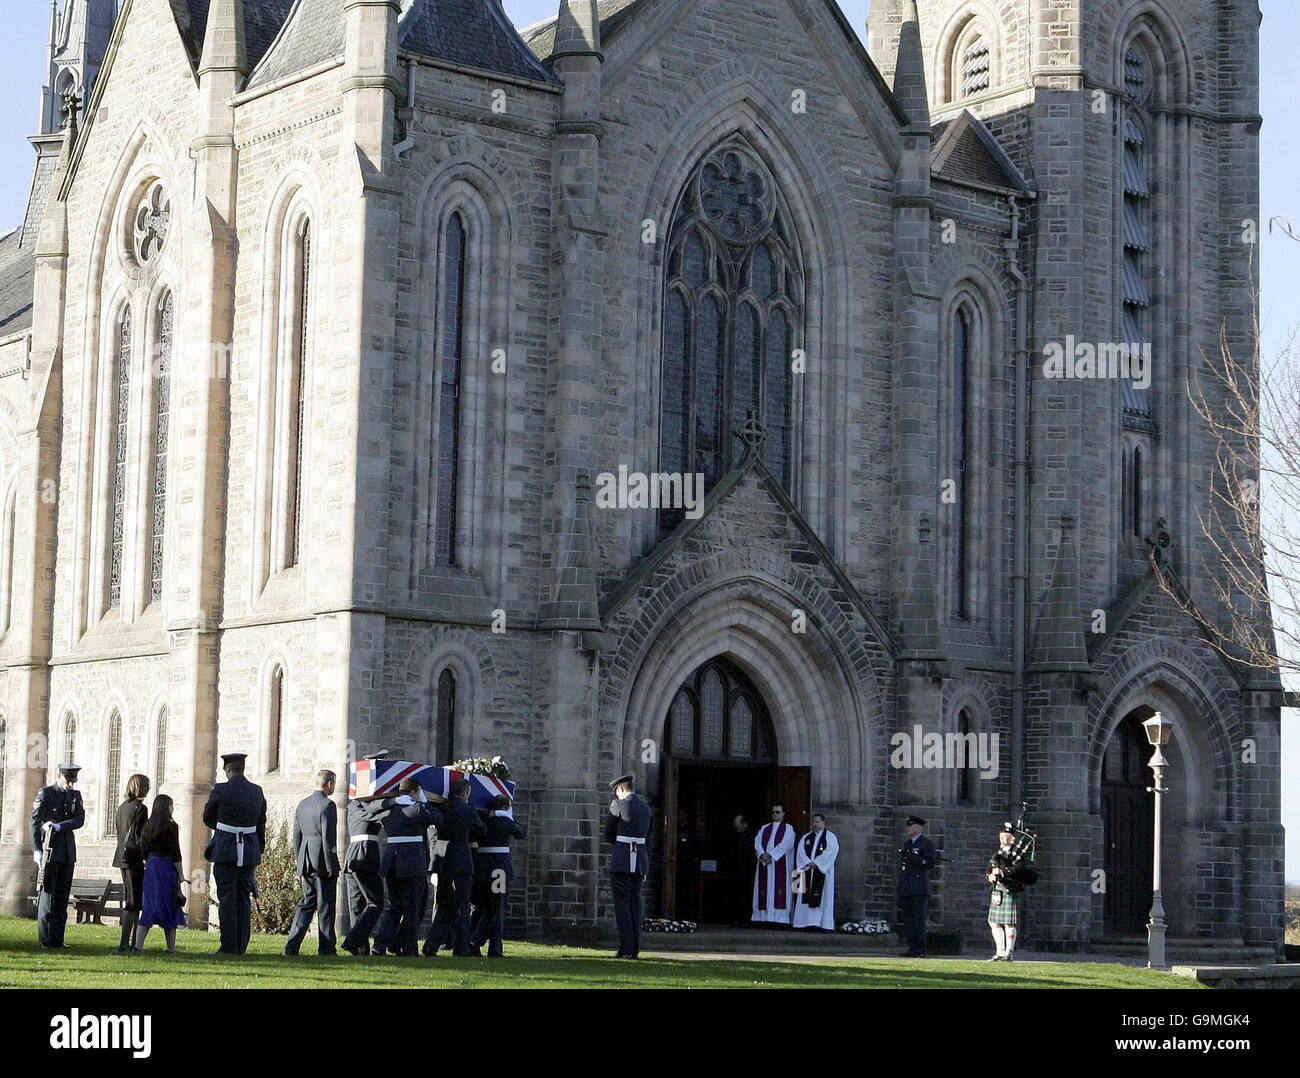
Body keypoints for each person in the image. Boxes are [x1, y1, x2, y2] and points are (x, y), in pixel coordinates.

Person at [202, 751, 267, 955]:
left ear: (228, 770)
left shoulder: (220, 789)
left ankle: (229, 946)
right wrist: (258, 847)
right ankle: (241, 945)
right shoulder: (257, 791)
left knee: (227, 899)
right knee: (243, 898)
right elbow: (261, 823)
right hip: (248, 849)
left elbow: (208, 817)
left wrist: (223, 828)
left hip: (225, 849)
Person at [371, 778, 442, 957]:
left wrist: (392, 801)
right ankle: (408, 948)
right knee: (413, 906)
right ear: (413, 793)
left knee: (394, 906)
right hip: (411, 863)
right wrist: (425, 802)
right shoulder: (418, 809)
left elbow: (372, 808)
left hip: (391, 861)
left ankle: (380, 944)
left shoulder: (388, 811)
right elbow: (439, 819)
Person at [424, 778, 486, 957]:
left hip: (443, 861)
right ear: (466, 793)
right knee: (463, 906)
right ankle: (462, 947)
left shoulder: (442, 808)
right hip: (461, 862)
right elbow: (481, 830)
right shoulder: (467, 810)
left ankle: (431, 944)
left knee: (444, 906)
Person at [284, 770, 341, 956]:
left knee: (307, 903)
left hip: (306, 858)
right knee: (325, 905)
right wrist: (332, 865)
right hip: (322, 861)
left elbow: (296, 836)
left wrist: (299, 861)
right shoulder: (328, 805)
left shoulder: (303, 804)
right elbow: (328, 838)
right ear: (330, 784)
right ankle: (326, 948)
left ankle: (291, 947)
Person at [30, 763, 86, 949]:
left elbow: (79, 819)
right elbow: (35, 822)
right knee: (48, 896)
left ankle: (58, 938)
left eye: (72, 781)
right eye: (67, 780)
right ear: (60, 775)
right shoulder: (46, 794)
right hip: (50, 851)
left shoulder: (75, 796)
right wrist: (37, 849)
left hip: (67, 852)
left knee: (62, 897)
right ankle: (46, 938)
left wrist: (60, 826)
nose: (70, 784)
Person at [469, 794, 527, 958]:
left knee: (482, 907)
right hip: (499, 871)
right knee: (497, 909)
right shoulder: (505, 821)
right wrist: (508, 816)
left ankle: (474, 939)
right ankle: (491, 947)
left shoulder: (483, 821)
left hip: (482, 869)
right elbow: (521, 832)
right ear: (504, 808)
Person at [604, 773, 652, 959]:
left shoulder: (618, 805)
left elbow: (608, 833)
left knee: (622, 904)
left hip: (622, 859)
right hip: (639, 860)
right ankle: (635, 948)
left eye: (617, 791)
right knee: (635, 903)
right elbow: (648, 836)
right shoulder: (645, 807)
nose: (616, 795)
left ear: (621, 789)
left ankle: (625, 947)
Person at [133, 794, 186, 953]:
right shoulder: (171, 826)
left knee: (150, 905)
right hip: (166, 866)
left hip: (151, 867)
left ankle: (138, 945)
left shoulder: (148, 826)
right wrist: (181, 874)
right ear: (166, 807)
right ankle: (171, 947)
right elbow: (176, 852)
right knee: (169, 905)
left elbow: (142, 848)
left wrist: (147, 860)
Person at [986, 821, 1038, 961]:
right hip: (997, 889)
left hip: (1010, 889)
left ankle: (1009, 952)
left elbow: (1017, 869)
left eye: (1006, 836)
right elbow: (990, 868)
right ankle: (1000, 951)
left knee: (1009, 923)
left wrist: (1002, 872)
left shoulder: (1018, 853)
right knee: (994, 922)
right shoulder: (997, 853)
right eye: (1002, 836)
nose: (1003, 838)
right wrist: (990, 875)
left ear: (1012, 838)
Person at [341, 793, 385, 956]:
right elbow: (372, 812)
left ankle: (360, 947)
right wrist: (392, 802)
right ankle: (352, 940)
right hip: (364, 855)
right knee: (375, 903)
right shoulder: (359, 806)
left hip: (353, 856)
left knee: (357, 905)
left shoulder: (355, 805)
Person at [112, 773, 150, 953]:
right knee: (133, 902)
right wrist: (146, 857)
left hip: (122, 857)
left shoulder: (122, 807)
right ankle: (126, 943)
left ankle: (131, 941)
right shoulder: (140, 809)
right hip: (134, 858)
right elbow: (140, 836)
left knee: (131, 897)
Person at [897, 814, 937, 958]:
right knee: (908, 920)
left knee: (919, 921)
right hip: (907, 886)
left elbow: (930, 862)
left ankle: (921, 949)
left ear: (918, 827)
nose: (908, 828)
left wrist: (916, 859)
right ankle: (912, 947)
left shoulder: (926, 843)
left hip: (919, 887)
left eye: (911, 825)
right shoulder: (907, 844)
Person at [792, 813, 840, 931]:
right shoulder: (806, 837)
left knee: (822, 897)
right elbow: (800, 852)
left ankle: (822, 924)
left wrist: (818, 863)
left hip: (821, 872)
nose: (815, 824)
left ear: (823, 823)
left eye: (817, 822)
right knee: (804, 896)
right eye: (813, 822)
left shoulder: (830, 837)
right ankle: (803, 923)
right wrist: (808, 862)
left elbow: (831, 851)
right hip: (807, 870)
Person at [752, 804, 796, 925]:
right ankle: (763, 918)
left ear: (783, 814)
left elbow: (786, 844)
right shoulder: (764, 828)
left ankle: (780, 919)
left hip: (779, 864)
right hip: (765, 864)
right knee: (763, 891)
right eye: (773, 812)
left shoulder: (788, 829)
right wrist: (762, 854)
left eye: (777, 812)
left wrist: (771, 855)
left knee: (779, 891)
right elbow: (757, 842)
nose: (775, 815)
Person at [732, 814, 756, 925]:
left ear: (745, 824)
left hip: (749, 871)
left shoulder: (751, 835)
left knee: (748, 896)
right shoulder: (739, 836)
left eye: (739, 827)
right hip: (740, 871)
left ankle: (747, 920)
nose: (737, 830)